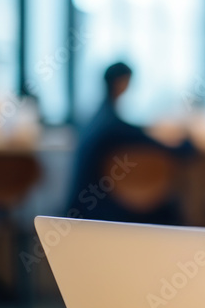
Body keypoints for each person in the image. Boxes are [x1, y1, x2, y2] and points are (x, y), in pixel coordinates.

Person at [64, 62, 195, 225]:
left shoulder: (98, 119)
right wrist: (187, 141)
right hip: (95, 211)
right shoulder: (112, 125)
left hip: (82, 206)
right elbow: (176, 150)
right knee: (170, 207)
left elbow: (136, 133)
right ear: (122, 82)